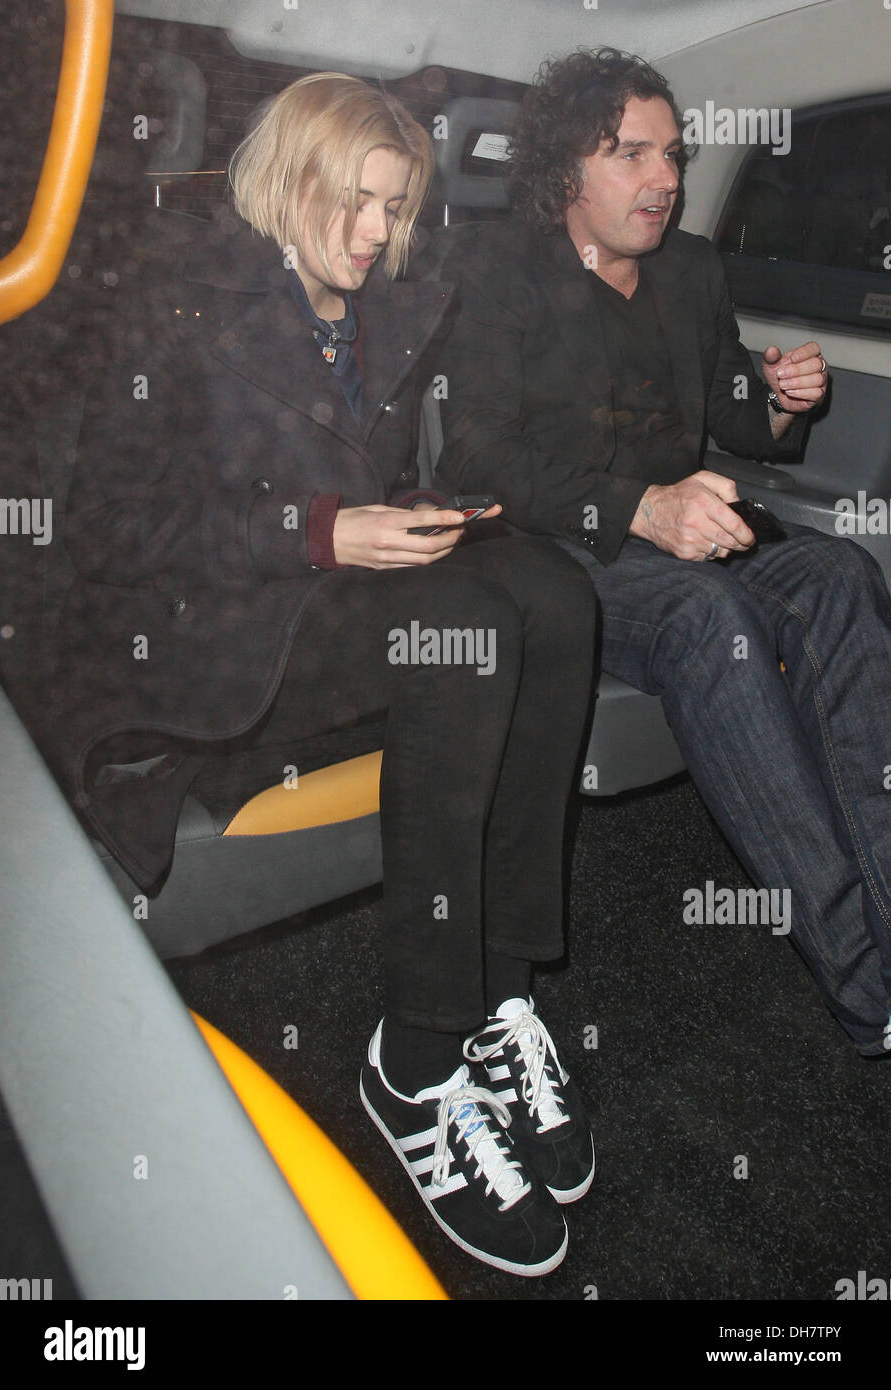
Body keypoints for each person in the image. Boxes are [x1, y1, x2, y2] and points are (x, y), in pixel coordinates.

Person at [43, 73, 598, 1276]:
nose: (371, 234)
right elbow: (107, 530)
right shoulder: (171, 302)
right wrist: (319, 529)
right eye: (349, 201)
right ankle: (417, 1055)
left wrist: (411, 516)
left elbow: (364, 492)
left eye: (392, 209)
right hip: (211, 641)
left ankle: (501, 989)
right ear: (281, 179)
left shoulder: (382, 310)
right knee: (465, 627)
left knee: (551, 596)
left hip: (333, 611)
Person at [436, 47, 891, 1059]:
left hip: (699, 538)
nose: (667, 178)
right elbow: (475, 453)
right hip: (574, 556)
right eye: (632, 153)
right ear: (566, 169)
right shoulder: (504, 276)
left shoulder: (688, 269)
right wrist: (641, 509)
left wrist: (774, 395)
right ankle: (865, 976)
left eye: (673, 154)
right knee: (707, 619)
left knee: (840, 573)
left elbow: (726, 405)